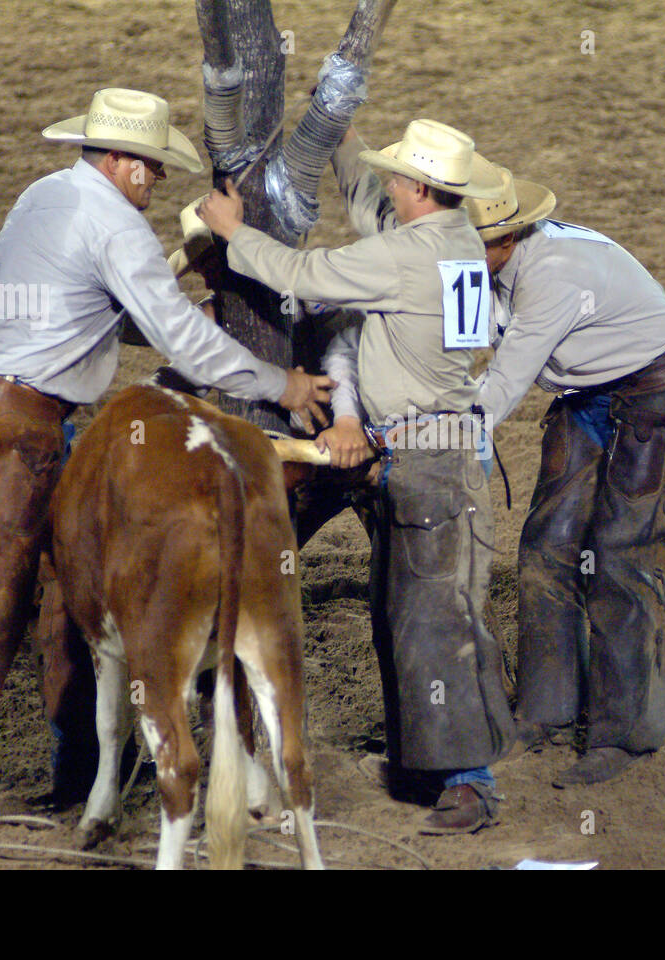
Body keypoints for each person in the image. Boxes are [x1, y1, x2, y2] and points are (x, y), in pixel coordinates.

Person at [0, 87, 335, 842]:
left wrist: (170, 322)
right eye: (149, 168)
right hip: (16, 426)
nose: (156, 182)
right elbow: (180, 338)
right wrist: (283, 383)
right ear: (118, 160)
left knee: (66, 583)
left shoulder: (50, 194)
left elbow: (70, 309)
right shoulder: (115, 227)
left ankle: (82, 770)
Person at [198, 118, 516, 834]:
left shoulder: (406, 256)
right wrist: (340, 135)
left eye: (399, 178)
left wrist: (234, 232)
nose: (392, 187)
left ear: (420, 189)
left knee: (433, 619)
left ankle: (471, 784)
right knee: (416, 611)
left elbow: (302, 274)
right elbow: (372, 208)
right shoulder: (460, 240)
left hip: (426, 456)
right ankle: (427, 769)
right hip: (445, 452)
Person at [466, 161, 665, 786]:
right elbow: (459, 349)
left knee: (623, 556)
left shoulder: (551, 276)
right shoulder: (476, 267)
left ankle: (624, 735)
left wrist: (441, 437)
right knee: (547, 545)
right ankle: (545, 713)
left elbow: (503, 383)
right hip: (592, 393)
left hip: (651, 395)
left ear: (501, 241)